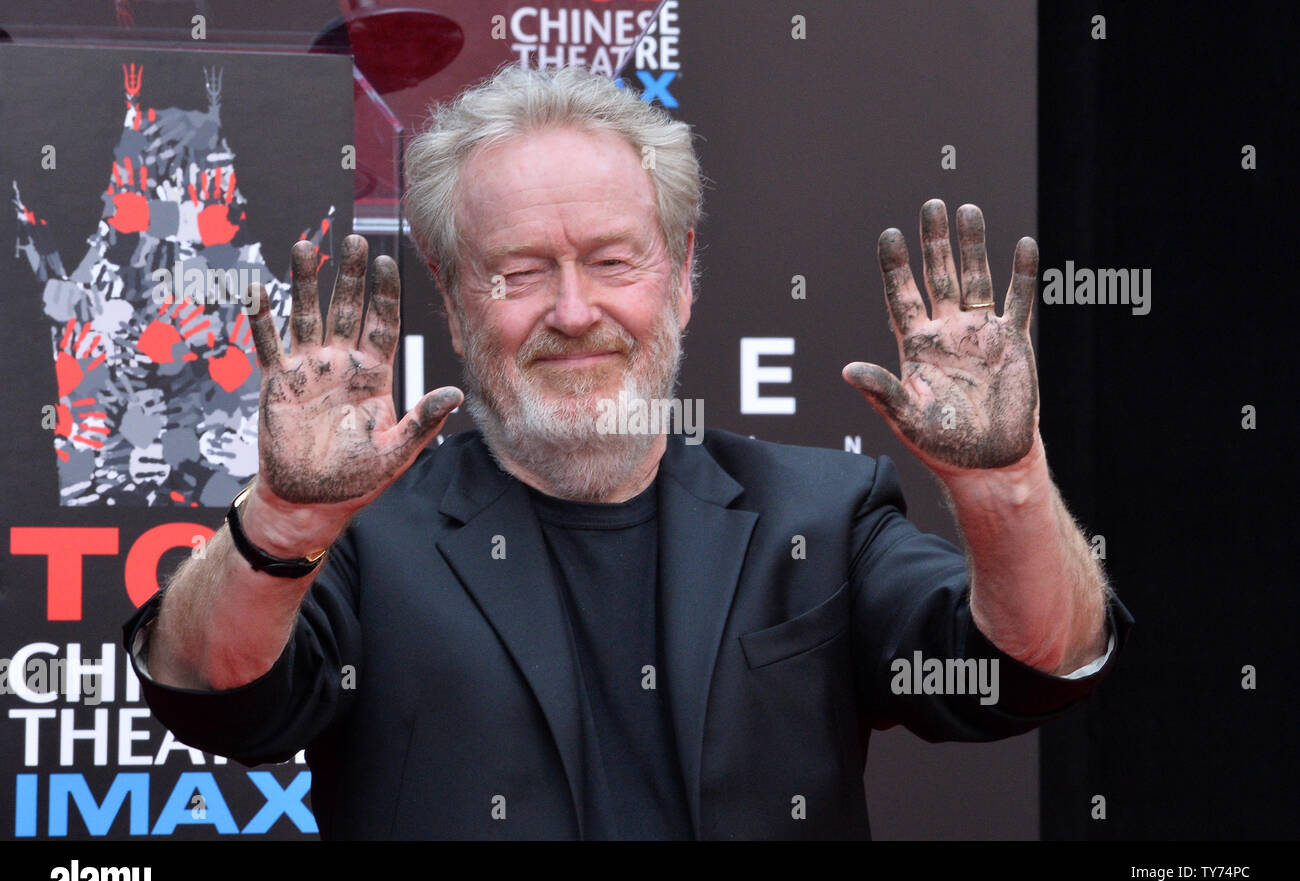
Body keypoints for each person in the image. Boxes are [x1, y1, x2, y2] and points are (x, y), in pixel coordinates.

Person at [123, 64, 1133, 840]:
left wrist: (1003, 486)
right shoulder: (362, 534)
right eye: (520, 271)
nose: (574, 312)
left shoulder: (821, 514)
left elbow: (1030, 664)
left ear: (681, 273)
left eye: (612, 262)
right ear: (451, 293)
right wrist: (288, 521)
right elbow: (212, 691)